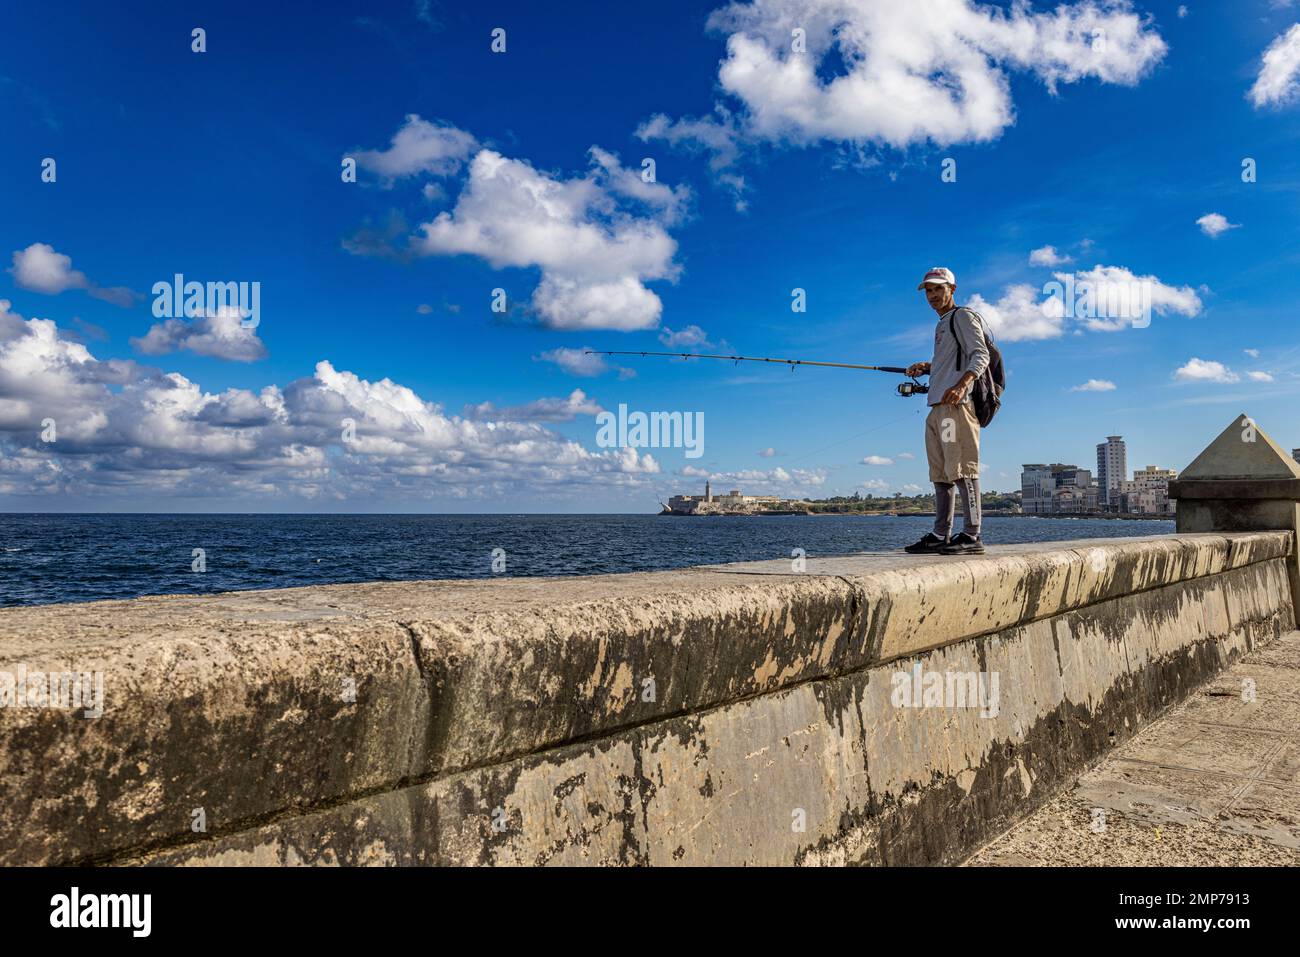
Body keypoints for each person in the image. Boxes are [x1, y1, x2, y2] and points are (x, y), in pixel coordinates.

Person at [903, 267, 989, 555]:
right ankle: (941, 534)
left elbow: (981, 354)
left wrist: (963, 384)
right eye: (928, 290)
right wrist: (928, 367)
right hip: (936, 407)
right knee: (940, 473)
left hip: (956, 406)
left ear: (952, 288)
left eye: (938, 289)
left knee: (963, 470)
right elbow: (951, 361)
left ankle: (972, 535)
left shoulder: (963, 316)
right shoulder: (942, 324)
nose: (932, 295)